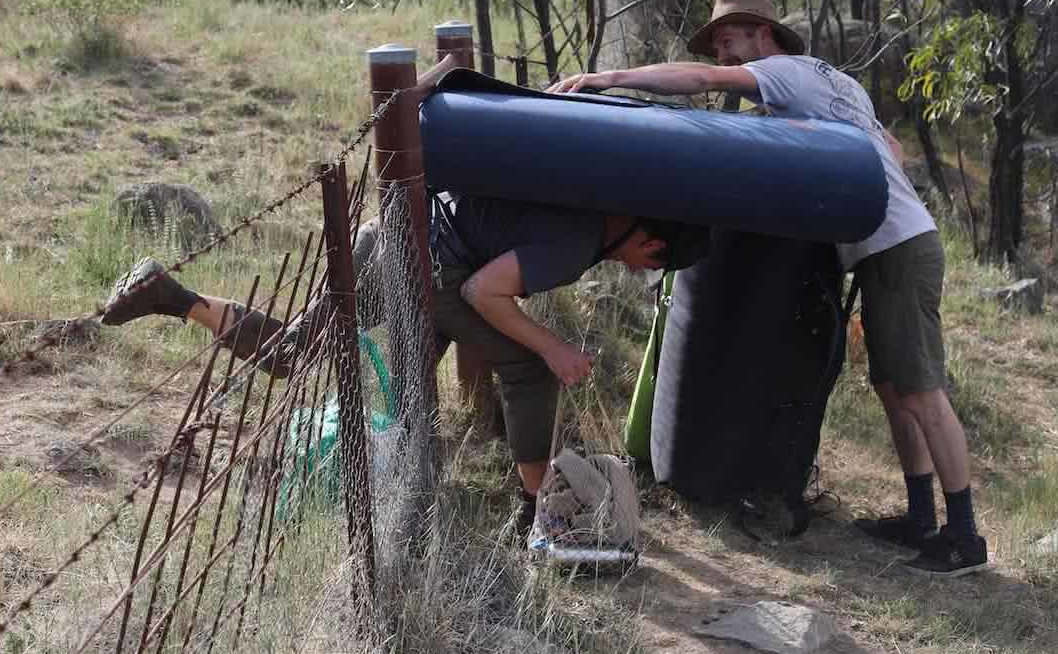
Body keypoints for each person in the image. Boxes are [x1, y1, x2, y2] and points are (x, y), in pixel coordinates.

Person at [551, 0, 988, 576]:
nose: (722, 54)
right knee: (893, 389)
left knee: (921, 392)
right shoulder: (836, 84)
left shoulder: (780, 72)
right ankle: (920, 518)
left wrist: (610, 77)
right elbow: (893, 148)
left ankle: (964, 537)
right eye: (718, 44)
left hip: (896, 248)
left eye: (729, 39)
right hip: (894, 243)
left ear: (762, 33)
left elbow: (702, 79)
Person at [100, 192, 709, 537]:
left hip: (391, 232)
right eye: (651, 264)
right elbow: (481, 295)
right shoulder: (579, 238)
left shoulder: (580, 202)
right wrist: (553, 346)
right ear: (651, 243)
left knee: (296, 352)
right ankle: (539, 517)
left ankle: (174, 297)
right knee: (530, 366)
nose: (641, 271)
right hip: (427, 268)